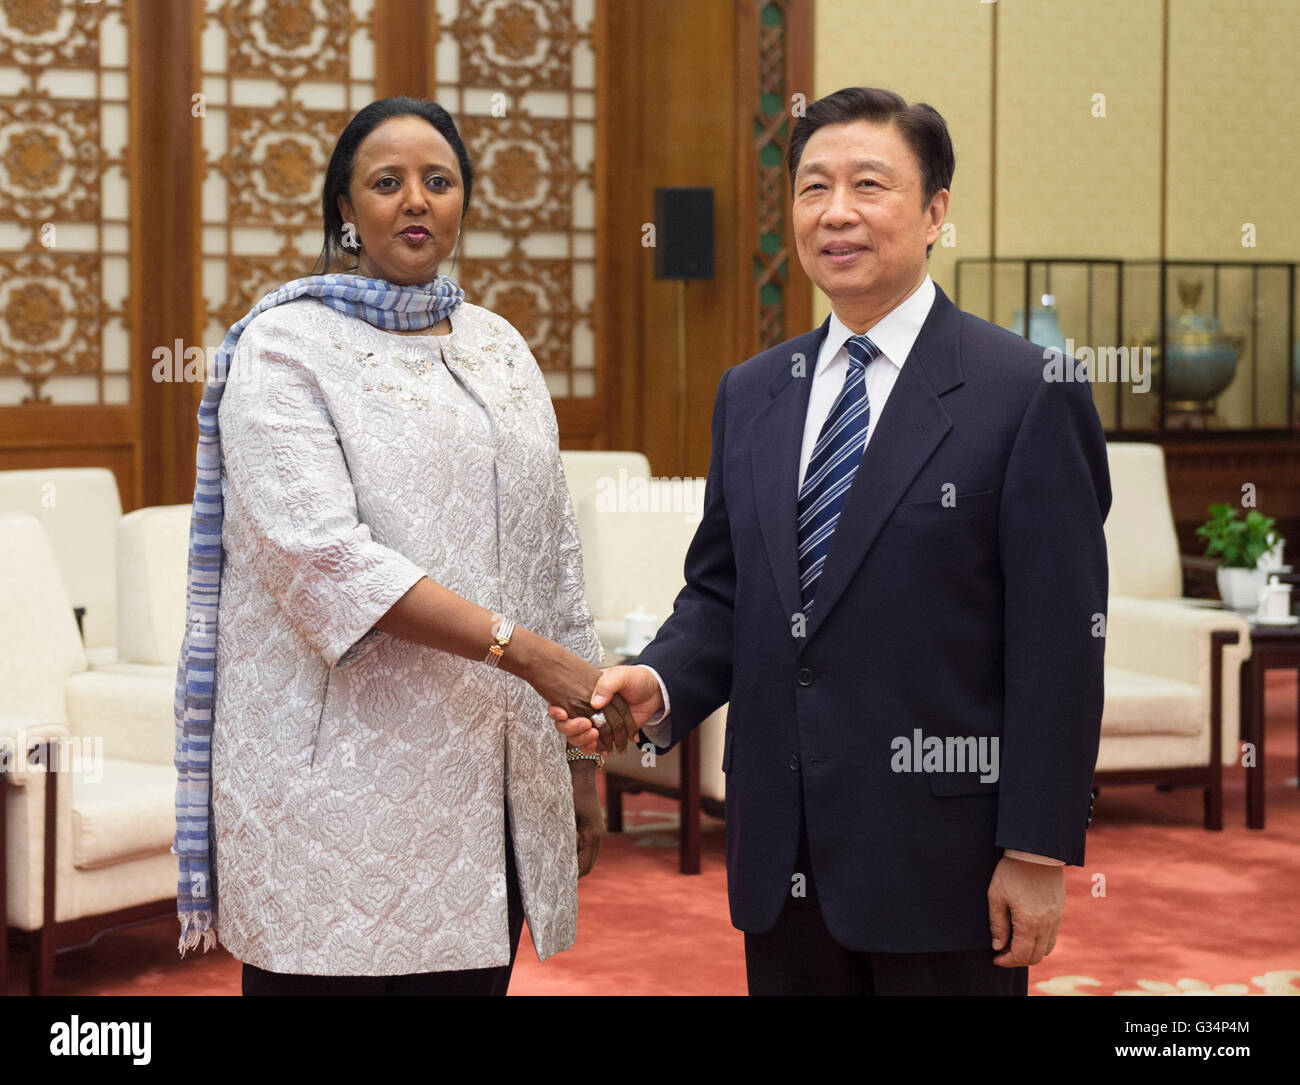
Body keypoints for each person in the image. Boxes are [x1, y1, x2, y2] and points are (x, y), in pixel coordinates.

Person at [553, 86, 1111, 995]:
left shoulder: (1026, 390)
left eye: (869, 185)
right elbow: (727, 592)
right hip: (785, 854)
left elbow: (1059, 642)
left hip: (946, 863)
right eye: (814, 188)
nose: (837, 213)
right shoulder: (754, 390)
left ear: (934, 213)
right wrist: (655, 682)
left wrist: (1039, 847)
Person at [173, 97, 632, 995]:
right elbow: (325, 561)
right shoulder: (281, 347)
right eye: (386, 183)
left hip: (488, 797)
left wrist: (573, 761)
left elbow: (553, 560)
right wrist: (530, 658)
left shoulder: (499, 346)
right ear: (345, 211)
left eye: (439, 181)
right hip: (335, 802)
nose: (415, 199)